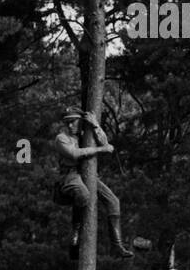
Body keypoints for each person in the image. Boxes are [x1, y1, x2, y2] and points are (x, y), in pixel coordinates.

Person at [51, 108, 149, 260]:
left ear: (81, 122)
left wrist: (95, 125)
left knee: (113, 201)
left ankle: (116, 246)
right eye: (67, 123)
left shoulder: (85, 136)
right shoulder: (61, 138)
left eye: (73, 122)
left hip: (87, 175)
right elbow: (74, 154)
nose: (70, 126)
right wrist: (101, 149)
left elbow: (105, 143)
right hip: (69, 175)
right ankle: (75, 235)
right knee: (83, 195)